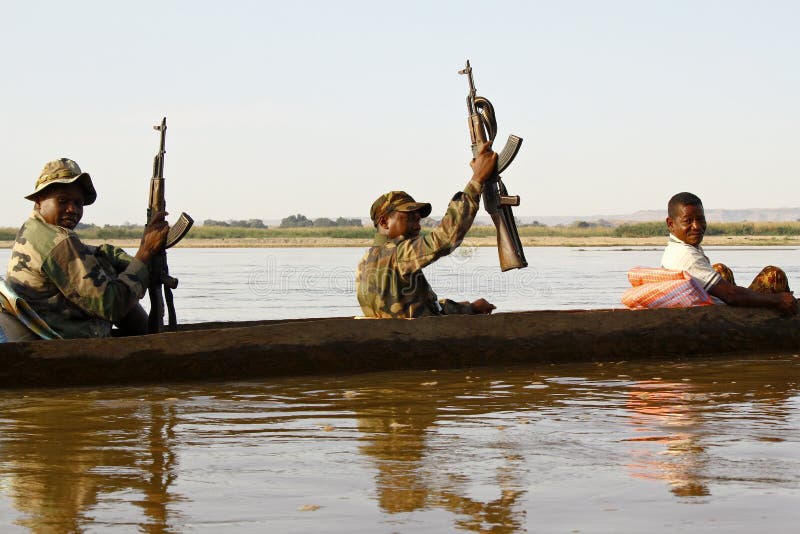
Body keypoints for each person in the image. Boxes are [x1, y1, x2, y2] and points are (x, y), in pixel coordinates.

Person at [3, 158, 170, 339]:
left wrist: (129, 262)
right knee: (114, 284)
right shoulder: (59, 242)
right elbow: (111, 306)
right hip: (64, 343)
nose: (72, 209)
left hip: (50, 325)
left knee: (106, 266)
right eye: (62, 201)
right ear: (39, 200)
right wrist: (145, 254)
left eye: (78, 203)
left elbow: (91, 251)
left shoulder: (33, 229)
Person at [356, 142, 498, 318]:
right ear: (384, 222)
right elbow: (446, 238)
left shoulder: (365, 262)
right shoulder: (397, 254)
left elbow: (421, 306)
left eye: (418, 219)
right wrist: (477, 180)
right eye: (410, 219)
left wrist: (469, 308)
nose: (417, 226)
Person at [661, 191, 797, 315]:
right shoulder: (686, 255)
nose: (697, 226)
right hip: (720, 314)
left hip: (713, 306)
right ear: (671, 223)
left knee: (720, 270)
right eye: (688, 221)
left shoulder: (678, 248)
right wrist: (778, 299)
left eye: (700, 219)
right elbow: (731, 295)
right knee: (773, 275)